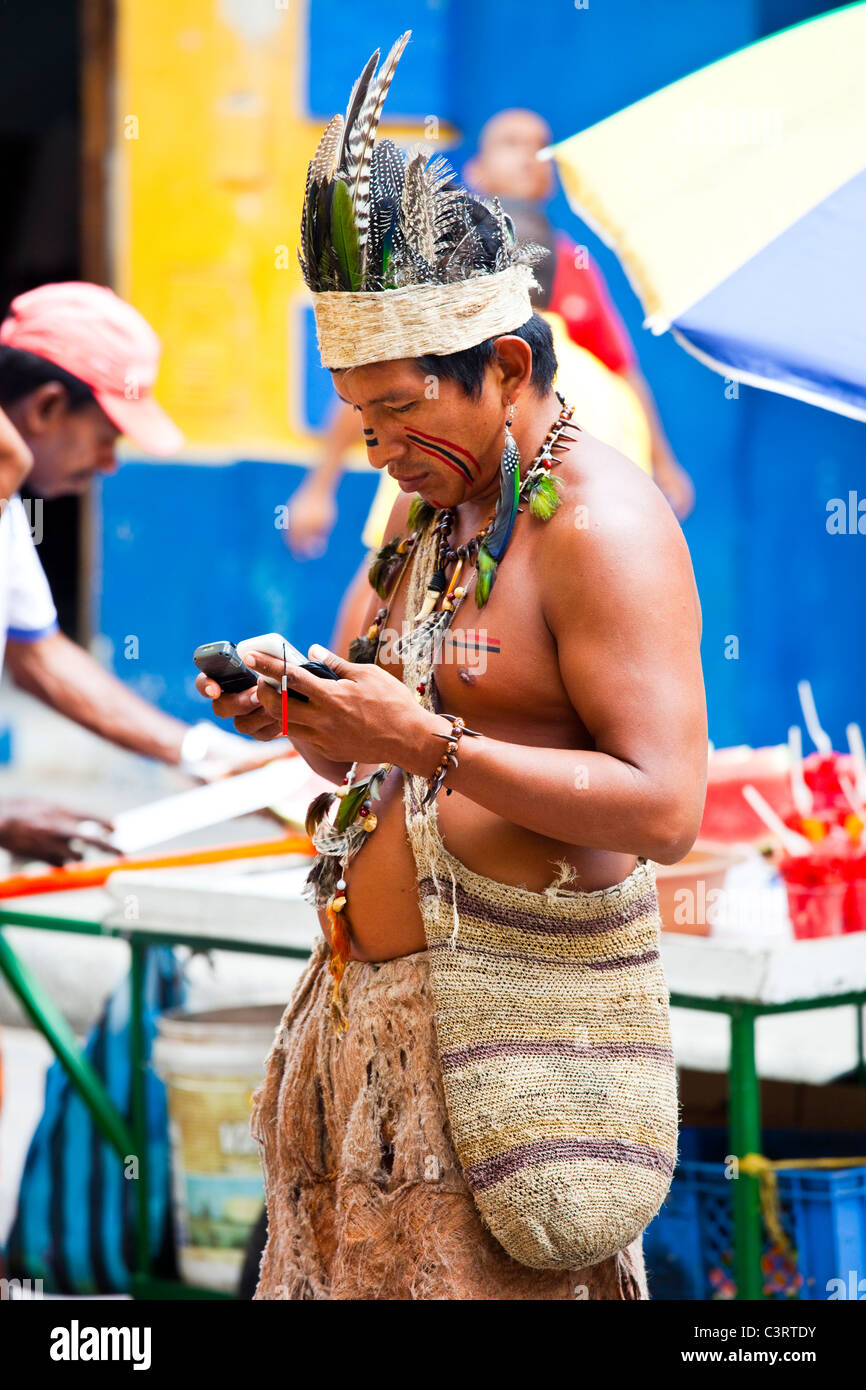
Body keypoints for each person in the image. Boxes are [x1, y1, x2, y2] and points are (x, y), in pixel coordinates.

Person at [199, 32, 706, 1301]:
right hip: (377, 1070)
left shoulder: (598, 524)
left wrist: (429, 743)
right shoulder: (427, 510)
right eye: (355, 415)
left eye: (400, 412)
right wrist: (300, 713)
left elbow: (664, 809)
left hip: (516, 1072)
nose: (376, 449)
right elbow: (359, 740)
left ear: (509, 369)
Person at [284, 107, 693, 565]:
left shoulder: (571, 264)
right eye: (512, 144)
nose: (529, 157)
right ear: (477, 170)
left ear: (511, 369)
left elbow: (622, 368)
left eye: (541, 148)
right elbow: (375, 379)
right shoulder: (423, 266)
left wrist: (665, 463)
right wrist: (320, 485)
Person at [0, 282, 252, 864]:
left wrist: (202, 753)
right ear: (45, 407)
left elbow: (35, 651)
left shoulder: (11, 508)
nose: (111, 463)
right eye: (107, 437)